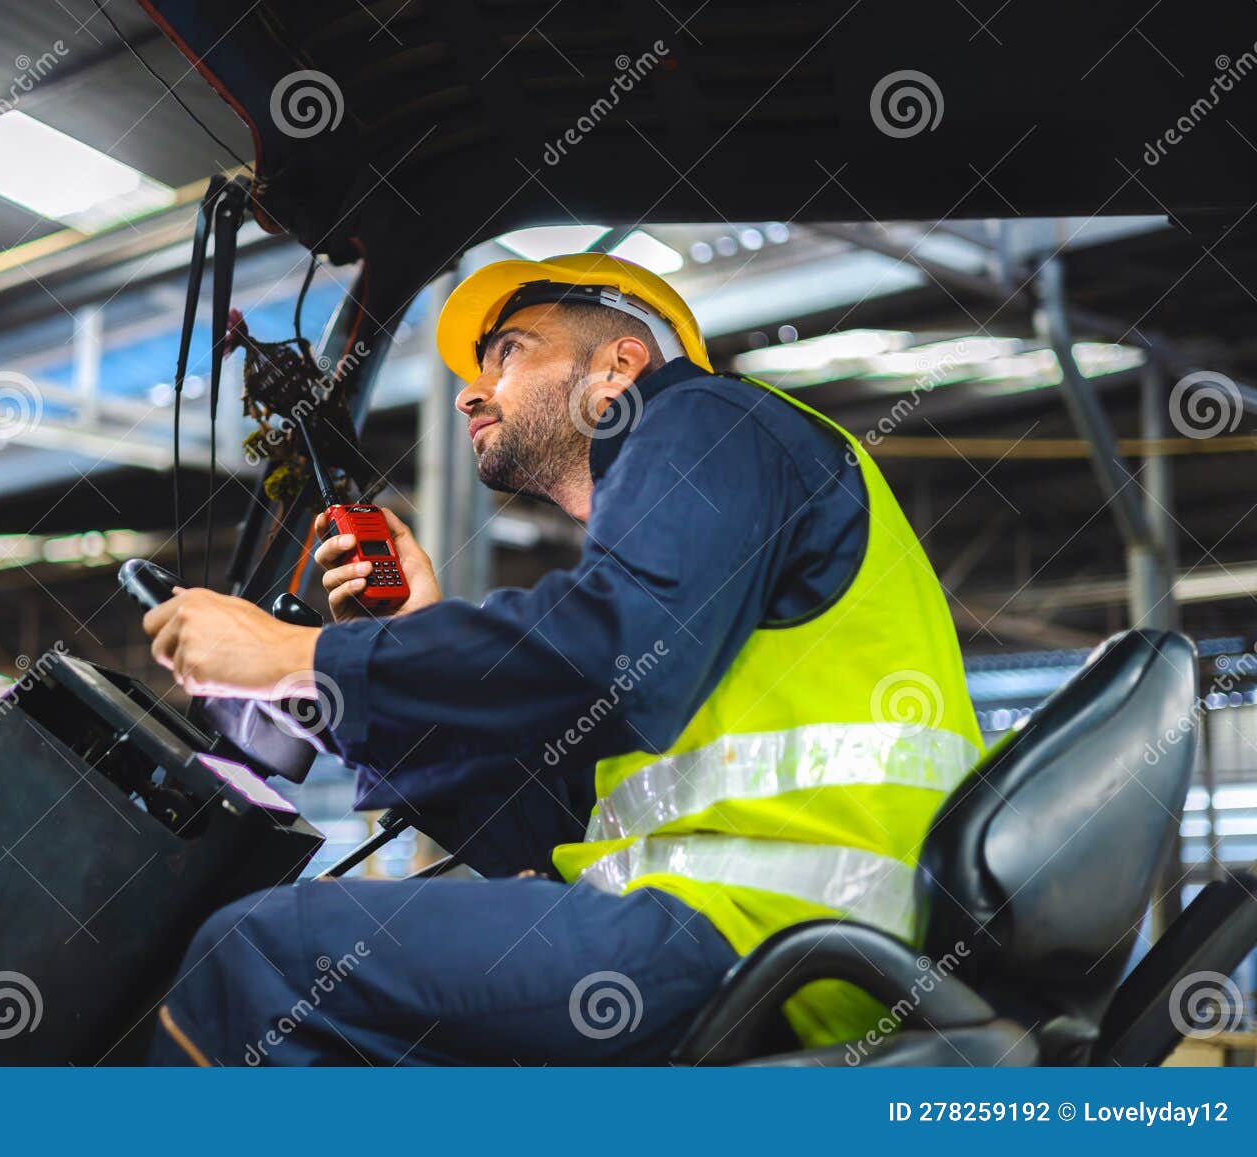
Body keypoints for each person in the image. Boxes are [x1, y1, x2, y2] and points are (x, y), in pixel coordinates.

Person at [142, 252, 983, 1065]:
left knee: (257, 958)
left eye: (508, 351)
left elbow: (606, 645)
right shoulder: (706, 580)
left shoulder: (709, 417)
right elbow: (547, 829)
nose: (471, 390)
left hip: (772, 932)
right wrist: (409, 636)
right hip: (760, 939)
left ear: (620, 366)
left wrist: (301, 654)